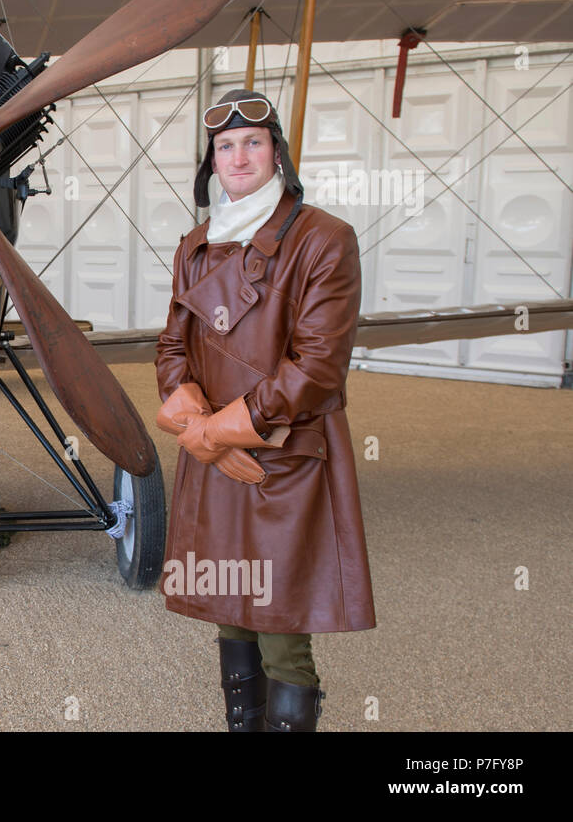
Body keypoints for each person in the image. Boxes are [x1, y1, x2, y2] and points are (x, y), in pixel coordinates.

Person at [154, 89, 375, 732]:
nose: (238, 156)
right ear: (212, 163)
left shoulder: (326, 239)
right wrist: (200, 430)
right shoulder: (195, 244)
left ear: (276, 152)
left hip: (284, 454)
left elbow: (316, 369)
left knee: (280, 621)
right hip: (216, 453)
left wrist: (222, 431)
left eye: (252, 141)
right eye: (225, 147)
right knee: (228, 602)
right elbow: (172, 346)